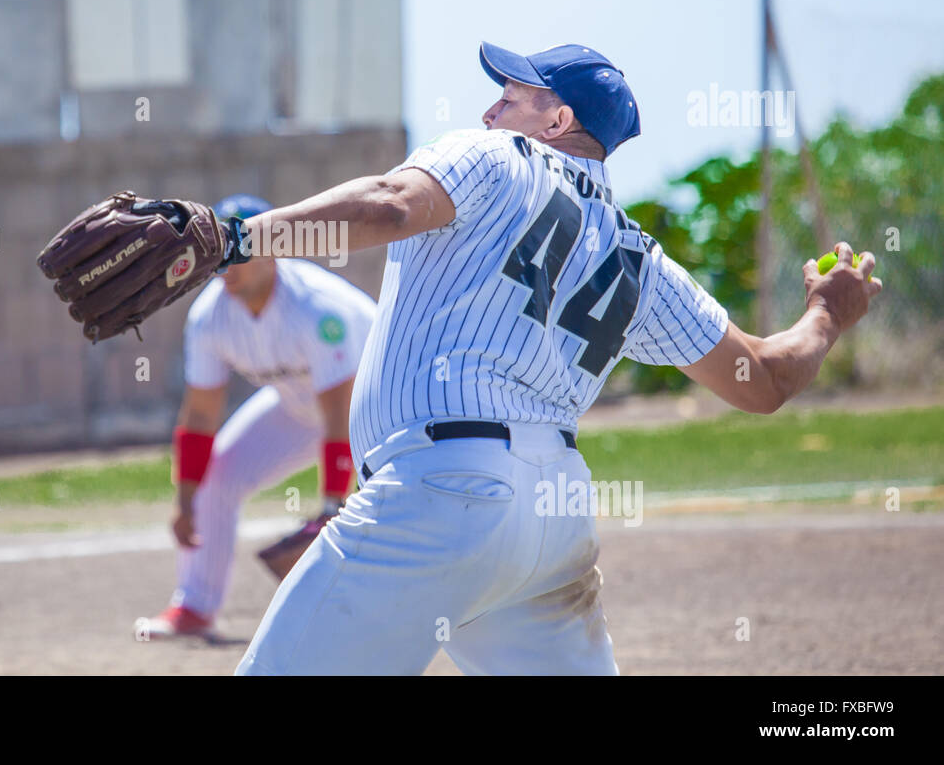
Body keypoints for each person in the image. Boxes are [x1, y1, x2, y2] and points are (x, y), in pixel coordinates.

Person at [227, 42, 882, 674]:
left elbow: (390, 205)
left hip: (441, 494)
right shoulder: (638, 255)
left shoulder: (492, 156)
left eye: (510, 98)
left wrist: (233, 239)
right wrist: (826, 315)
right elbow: (762, 379)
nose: (490, 113)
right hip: (554, 519)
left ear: (558, 120)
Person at [139, 194, 378, 640]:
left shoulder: (317, 308)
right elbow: (200, 413)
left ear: (272, 250)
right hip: (299, 407)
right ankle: (194, 607)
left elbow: (339, 414)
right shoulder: (210, 316)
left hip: (381, 406)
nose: (227, 263)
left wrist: (330, 505)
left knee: (395, 507)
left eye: (240, 248)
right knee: (218, 475)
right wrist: (186, 499)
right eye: (220, 250)